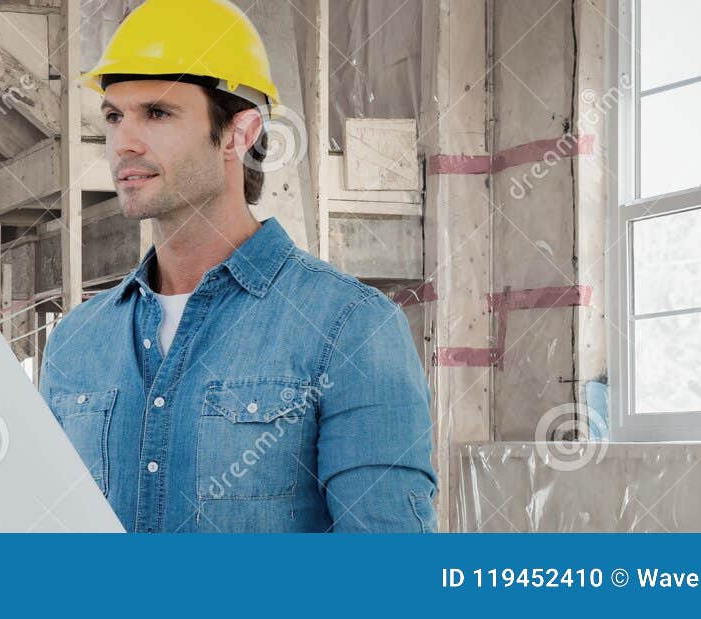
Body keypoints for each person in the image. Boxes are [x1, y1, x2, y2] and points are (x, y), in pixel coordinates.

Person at [38, 0, 435, 532]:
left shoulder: (349, 329)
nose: (123, 144)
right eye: (114, 116)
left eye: (157, 113)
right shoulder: (76, 340)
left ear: (238, 134)